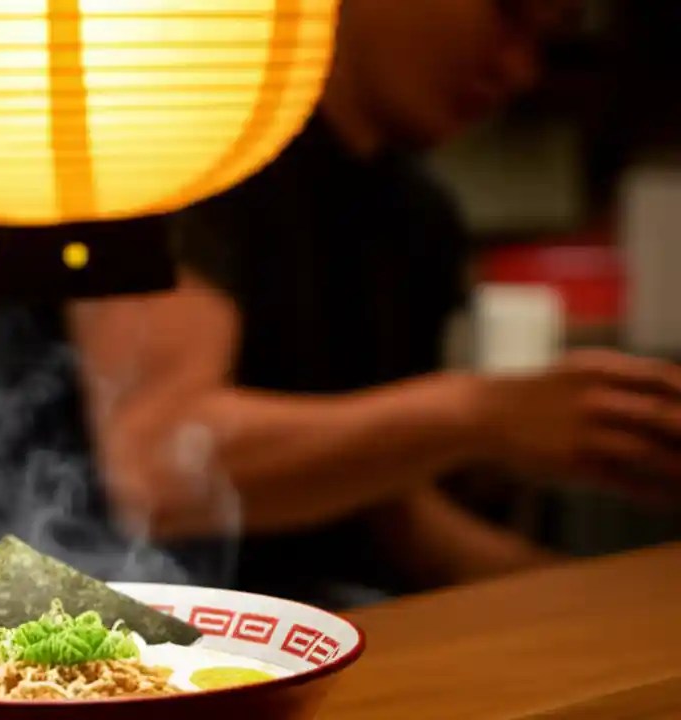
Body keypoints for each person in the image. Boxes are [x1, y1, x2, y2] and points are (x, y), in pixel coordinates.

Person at [62, 0, 681, 603]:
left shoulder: (417, 215)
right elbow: (156, 467)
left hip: (309, 635)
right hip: (72, 613)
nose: (519, 69)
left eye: (544, 38)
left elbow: (384, 509)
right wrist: (477, 414)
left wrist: (587, 599)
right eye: (508, 13)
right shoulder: (190, 149)